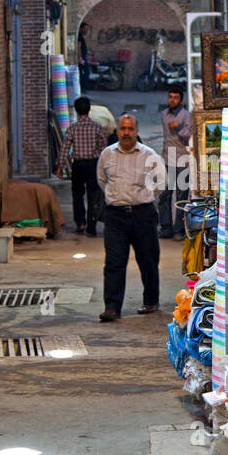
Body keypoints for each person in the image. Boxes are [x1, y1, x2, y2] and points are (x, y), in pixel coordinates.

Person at [96, 113, 165, 321]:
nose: (126, 133)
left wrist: (143, 197)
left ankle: (151, 301)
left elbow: (160, 184)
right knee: (114, 262)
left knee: (148, 261)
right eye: (123, 129)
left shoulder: (149, 155)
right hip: (115, 216)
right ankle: (112, 307)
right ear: (117, 130)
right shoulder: (107, 155)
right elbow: (102, 180)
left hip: (143, 214)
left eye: (130, 129)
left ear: (136, 131)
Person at [57, 95, 108, 235]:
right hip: (93, 165)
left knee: (77, 195)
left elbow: (65, 149)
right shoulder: (98, 128)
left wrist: (60, 167)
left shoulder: (72, 129)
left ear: (76, 111)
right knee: (93, 196)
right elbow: (104, 149)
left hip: (78, 166)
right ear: (89, 110)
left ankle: (80, 223)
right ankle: (92, 225)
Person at [157, 88, 193, 240]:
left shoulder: (186, 115)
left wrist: (178, 127)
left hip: (182, 161)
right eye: (170, 97)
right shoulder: (164, 114)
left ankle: (179, 230)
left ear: (181, 101)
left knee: (181, 197)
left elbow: (191, 136)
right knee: (164, 196)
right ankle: (166, 228)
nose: (172, 100)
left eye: (175, 98)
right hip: (166, 160)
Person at [78, 22, 92, 88]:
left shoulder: (81, 36)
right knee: (87, 72)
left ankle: (81, 87)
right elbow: (79, 47)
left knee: (82, 72)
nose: (86, 30)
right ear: (81, 28)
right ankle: (82, 86)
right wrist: (80, 58)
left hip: (83, 57)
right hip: (82, 58)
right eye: (85, 28)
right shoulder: (79, 36)